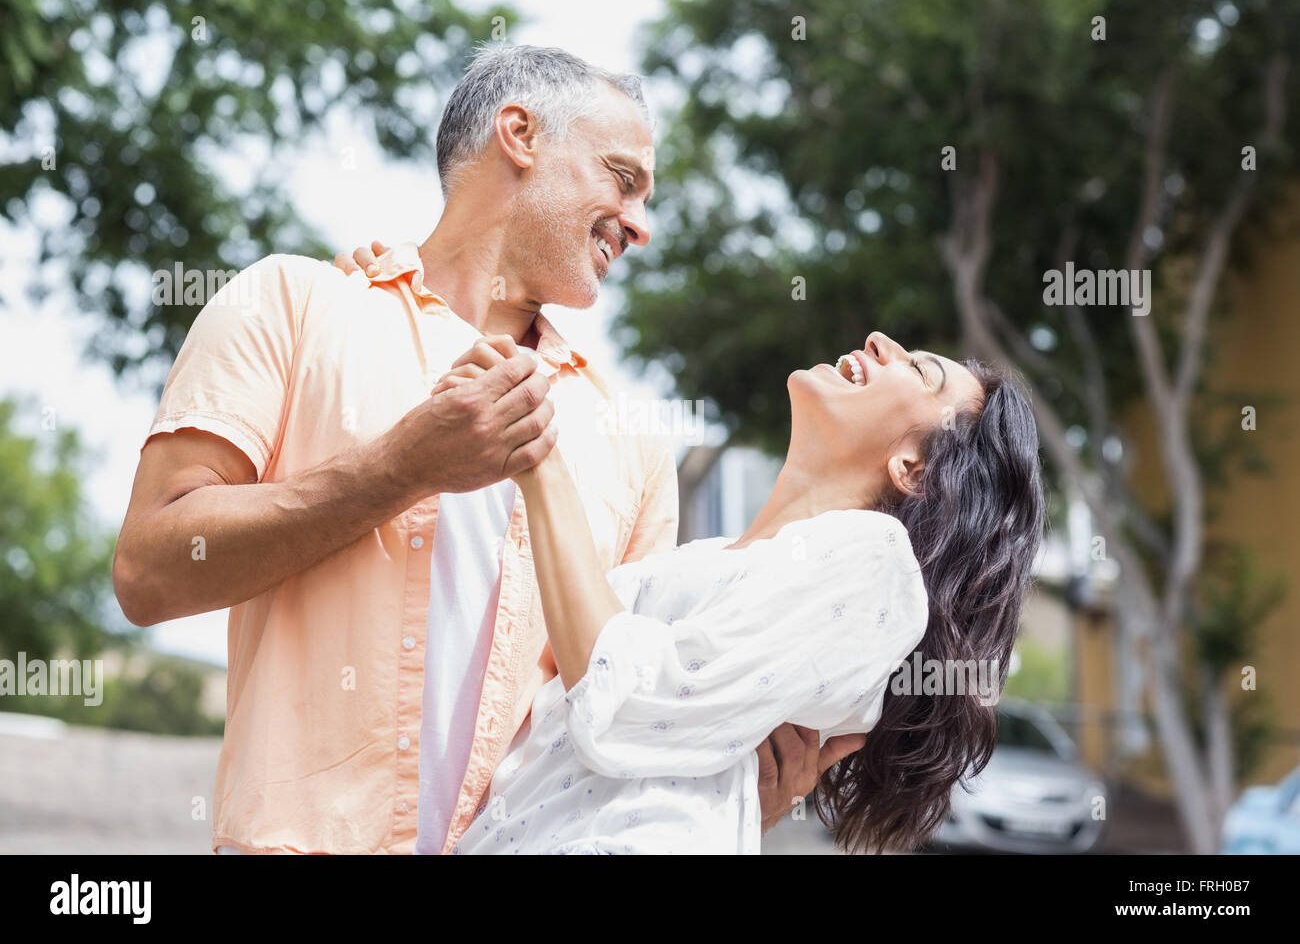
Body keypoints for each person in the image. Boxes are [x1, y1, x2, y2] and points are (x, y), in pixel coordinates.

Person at [112, 44, 842, 855]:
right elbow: (148, 574)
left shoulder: (632, 448)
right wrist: (400, 469)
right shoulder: (291, 303)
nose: (641, 225)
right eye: (622, 178)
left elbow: (615, 730)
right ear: (520, 134)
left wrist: (732, 802)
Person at [440, 331, 1045, 854]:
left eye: (920, 371)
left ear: (914, 468)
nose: (878, 343)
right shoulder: (697, 561)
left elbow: (627, 706)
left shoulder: (874, 564)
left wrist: (541, 461)